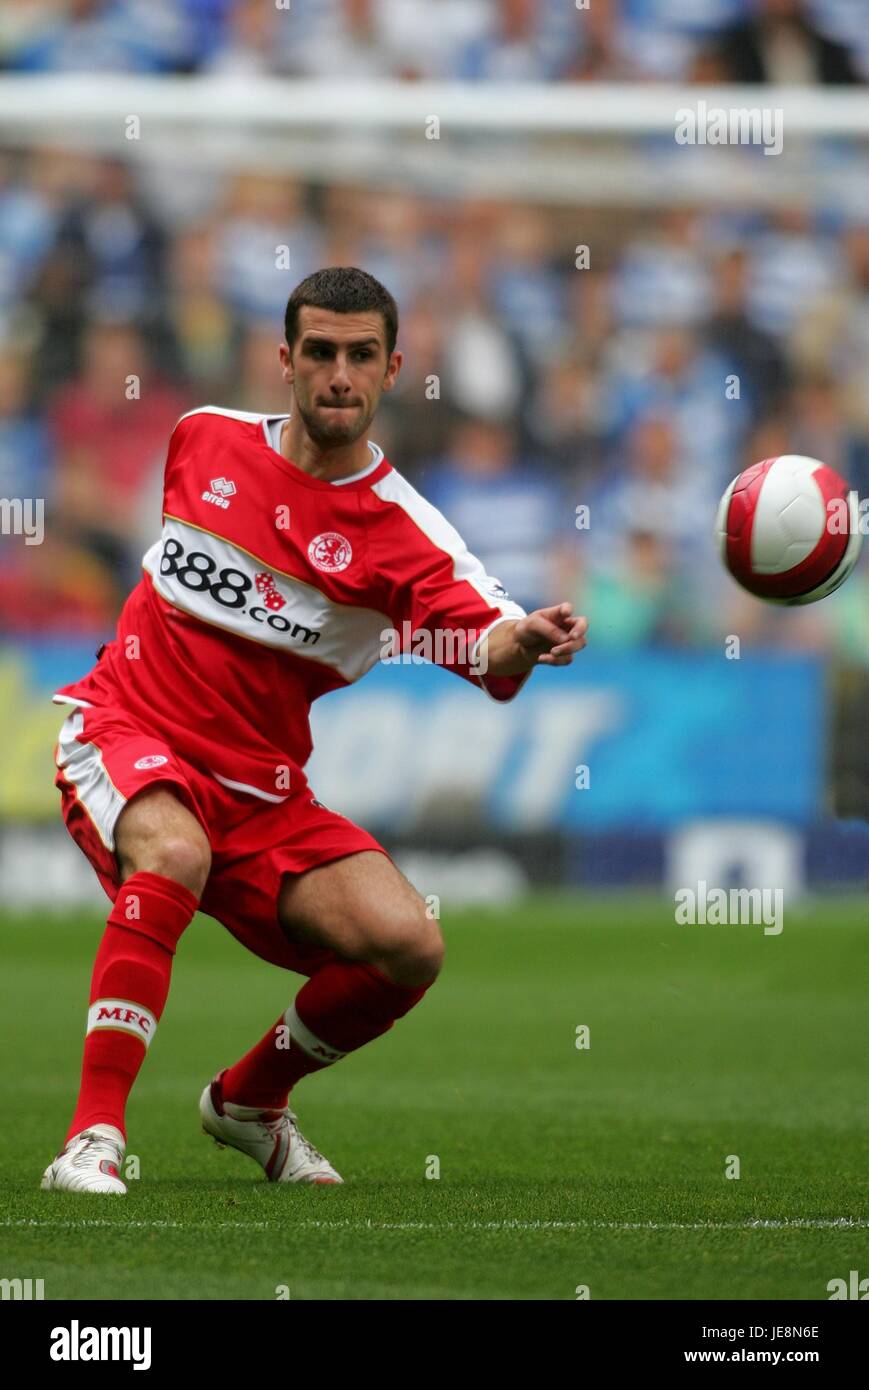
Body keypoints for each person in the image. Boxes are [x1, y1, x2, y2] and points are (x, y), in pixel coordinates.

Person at [42, 266, 589, 1193]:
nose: (340, 374)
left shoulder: (403, 530)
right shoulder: (199, 440)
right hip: (127, 726)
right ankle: (91, 1141)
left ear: (392, 369)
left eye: (361, 356)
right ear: (285, 361)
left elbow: (481, 633)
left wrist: (524, 639)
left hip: (259, 794)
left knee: (408, 946)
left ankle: (248, 1101)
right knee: (171, 851)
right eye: (322, 353)